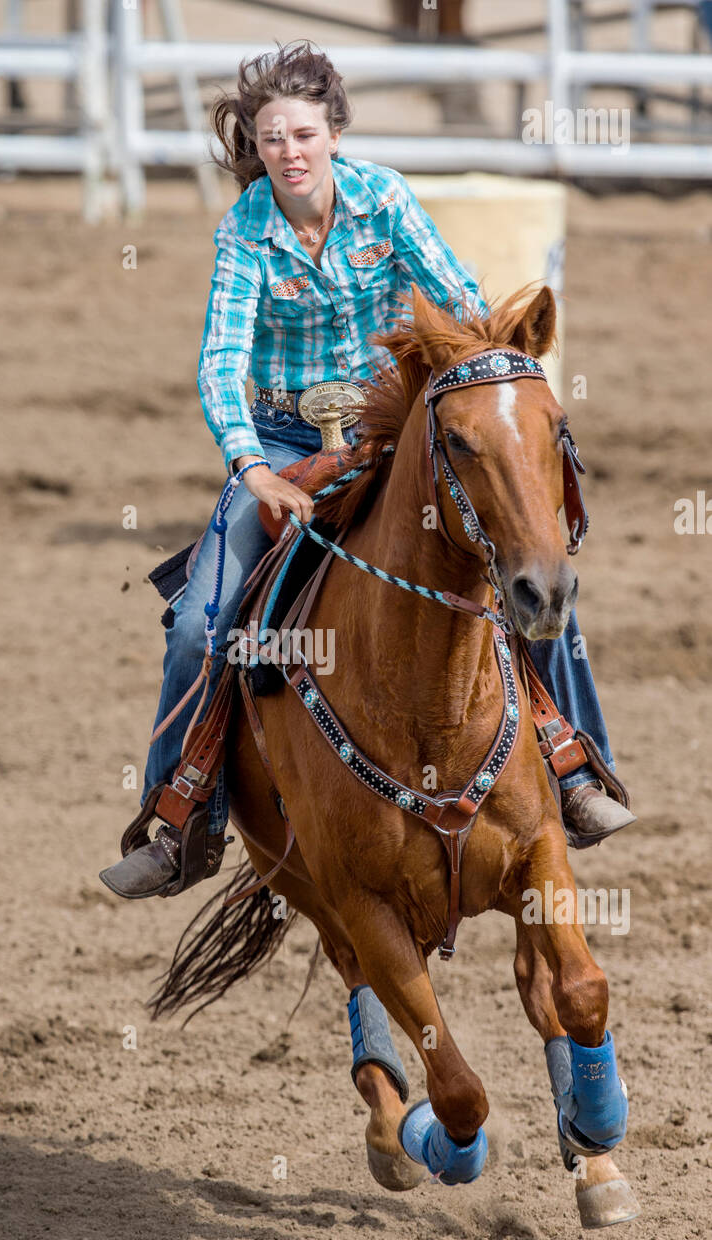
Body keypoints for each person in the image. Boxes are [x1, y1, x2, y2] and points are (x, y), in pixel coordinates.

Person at [100, 41, 633, 901]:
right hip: (280, 441)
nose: (289, 152)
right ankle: (181, 814)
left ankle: (572, 769)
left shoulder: (384, 199)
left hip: (389, 426)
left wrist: (490, 381)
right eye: (272, 139)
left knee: (532, 568)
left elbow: (456, 297)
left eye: (304, 133)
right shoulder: (244, 230)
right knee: (201, 623)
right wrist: (252, 469)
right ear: (256, 146)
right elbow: (217, 364)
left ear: (335, 134)